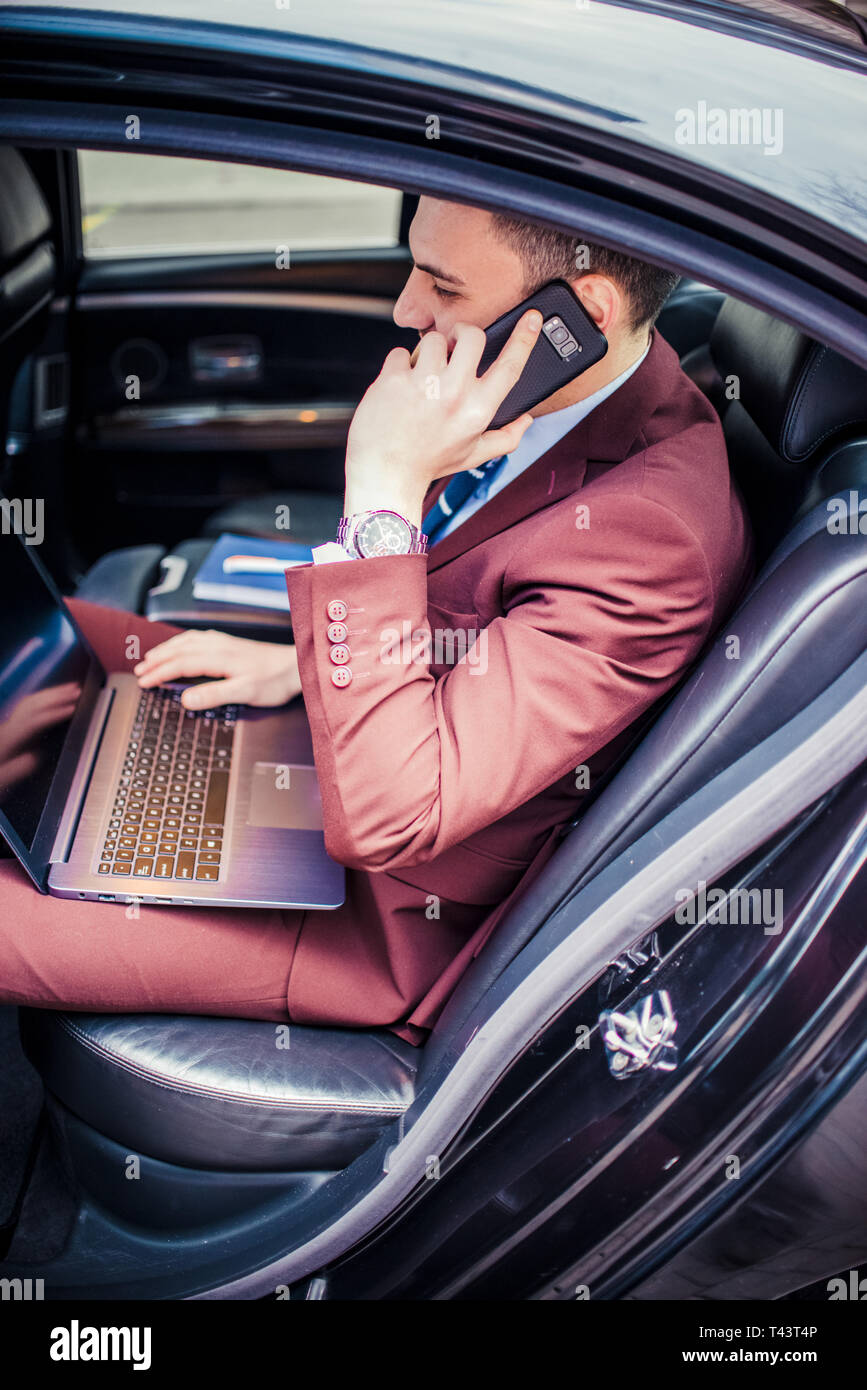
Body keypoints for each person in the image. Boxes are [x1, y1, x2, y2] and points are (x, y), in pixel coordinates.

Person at [0, 197, 754, 1044]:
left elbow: (391, 817)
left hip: (372, 910)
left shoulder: (649, 540)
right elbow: (467, 630)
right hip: (348, 738)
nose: (405, 309)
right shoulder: (547, 400)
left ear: (579, 317)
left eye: (442, 284)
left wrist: (384, 488)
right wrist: (294, 666)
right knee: (48, 641)